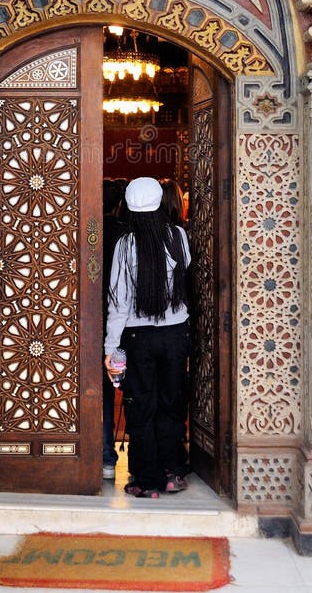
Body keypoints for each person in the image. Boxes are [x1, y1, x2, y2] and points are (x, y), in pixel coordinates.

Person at [104, 176, 191, 498]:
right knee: (171, 402)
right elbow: (186, 271)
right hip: (175, 334)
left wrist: (111, 347)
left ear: (128, 205)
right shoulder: (178, 237)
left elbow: (119, 301)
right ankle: (172, 472)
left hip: (137, 338)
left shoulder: (125, 244)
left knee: (141, 405)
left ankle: (146, 479)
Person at [102, 178, 126, 479]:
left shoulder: (79, 229)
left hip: (79, 322)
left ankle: (100, 453)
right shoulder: (125, 235)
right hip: (120, 325)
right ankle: (112, 457)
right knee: (119, 389)